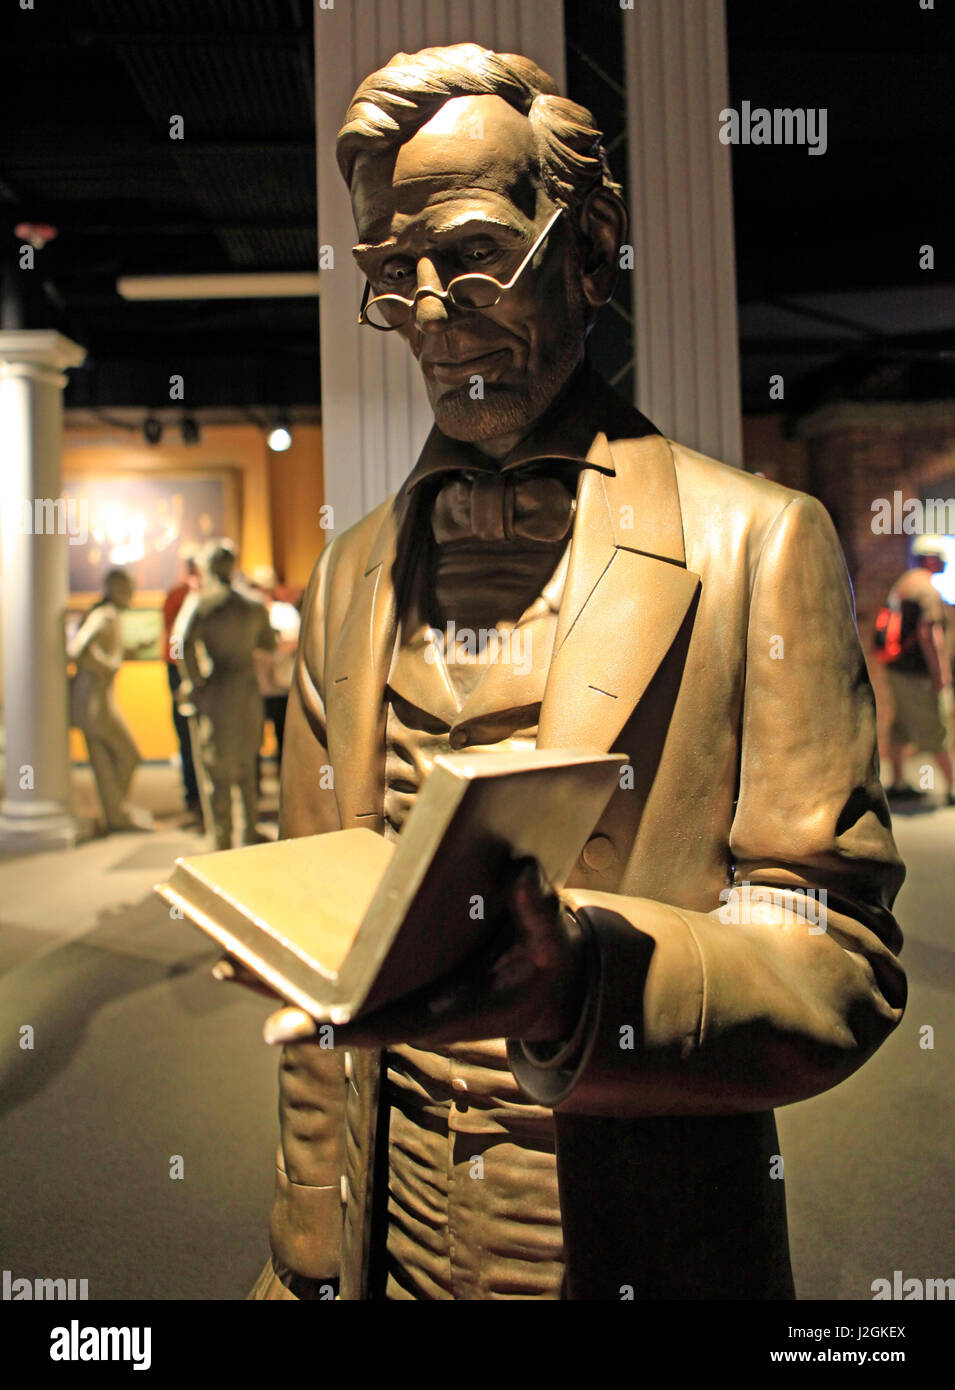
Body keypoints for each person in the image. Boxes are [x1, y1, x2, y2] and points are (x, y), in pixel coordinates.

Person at [233, 45, 906, 1301]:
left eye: (478, 256)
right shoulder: (349, 576)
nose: (432, 312)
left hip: (640, 1251)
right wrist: (301, 1264)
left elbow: (839, 957)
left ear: (589, 249)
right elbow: (311, 977)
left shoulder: (757, 545)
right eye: (393, 273)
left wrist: (588, 981)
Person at [178, 542, 276, 851]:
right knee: (247, 759)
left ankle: (221, 834)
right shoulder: (253, 604)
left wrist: (193, 681)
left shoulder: (200, 603)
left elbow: (180, 645)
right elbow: (268, 643)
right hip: (245, 686)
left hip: (216, 686)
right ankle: (248, 827)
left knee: (215, 762)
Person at [68, 568, 153, 832]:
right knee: (129, 755)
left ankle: (116, 815)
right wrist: (108, 666)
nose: (132, 594)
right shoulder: (104, 616)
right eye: (128, 587)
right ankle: (118, 813)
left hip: (95, 699)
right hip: (94, 701)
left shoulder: (109, 616)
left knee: (103, 762)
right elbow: (77, 649)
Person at [882, 534, 954, 805]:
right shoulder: (926, 589)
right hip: (917, 674)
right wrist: (941, 672)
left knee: (901, 724)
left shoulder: (905, 583)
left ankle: (898, 782)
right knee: (935, 727)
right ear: (931, 558)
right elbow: (929, 635)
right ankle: (951, 788)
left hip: (897, 668)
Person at [247, 566, 302, 784]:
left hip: (281, 686)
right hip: (255, 687)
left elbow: (293, 640)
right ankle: (253, 787)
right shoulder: (247, 614)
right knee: (252, 741)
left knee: (284, 739)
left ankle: (285, 784)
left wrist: (269, 650)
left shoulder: (284, 612)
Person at [162, 548, 201, 820]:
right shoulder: (183, 595)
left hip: (192, 668)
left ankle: (199, 796)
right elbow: (177, 638)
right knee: (188, 734)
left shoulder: (191, 594)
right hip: (182, 669)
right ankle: (195, 797)